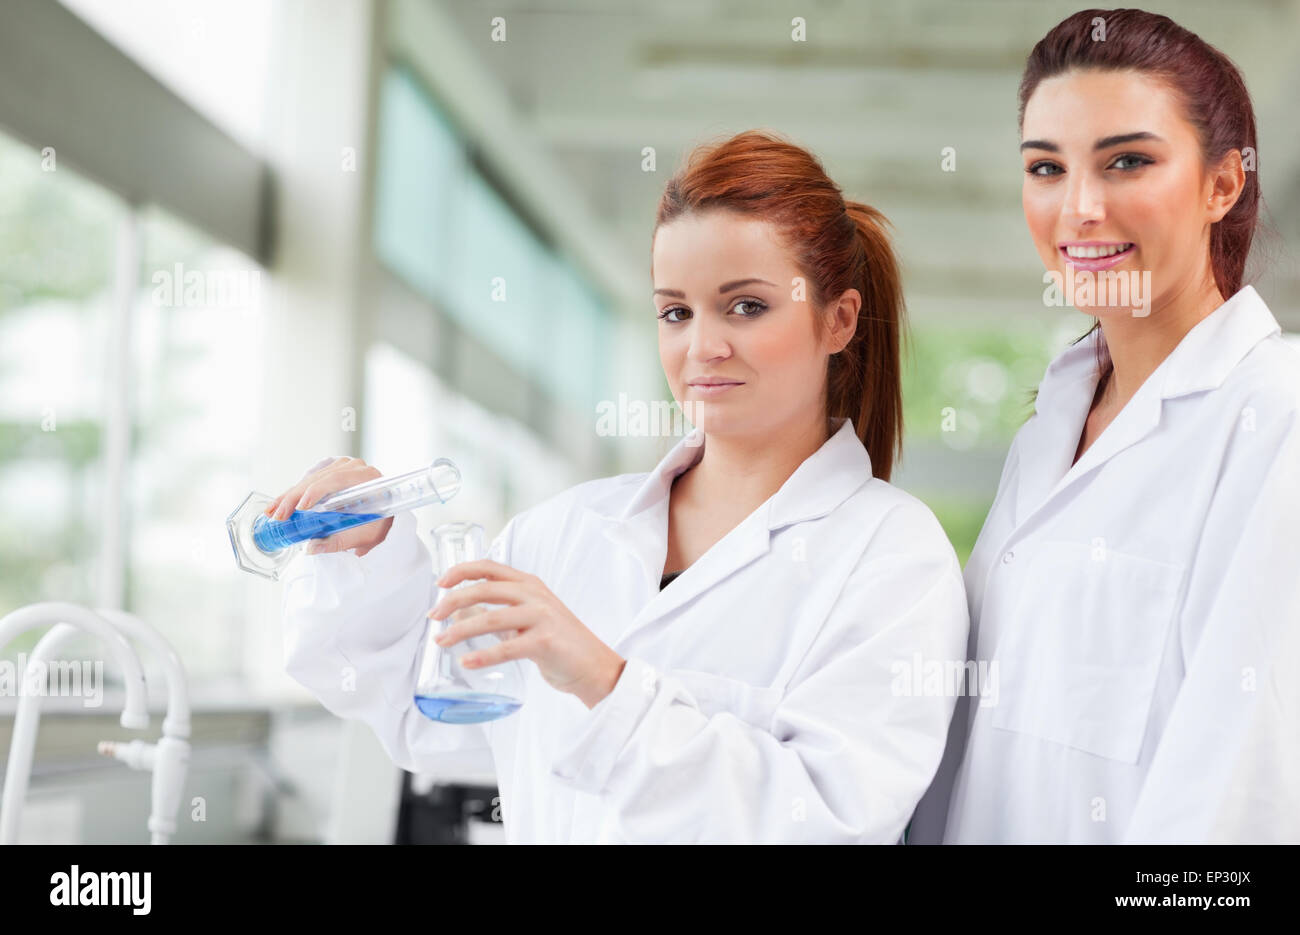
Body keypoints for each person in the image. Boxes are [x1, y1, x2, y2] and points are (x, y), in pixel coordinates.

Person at [275, 130, 969, 843]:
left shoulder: (893, 558)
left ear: (839, 319)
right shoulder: (562, 532)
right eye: (676, 311)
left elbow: (826, 819)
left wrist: (605, 683)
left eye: (747, 306)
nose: (703, 346)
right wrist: (366, 548)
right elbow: (418, 714)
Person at [909, 8, 1300, 844]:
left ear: (1222, 184)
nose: (1079, 208)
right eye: (1046, 168)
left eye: (1128, 160)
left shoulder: (1276, 416)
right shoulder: (1050, 428)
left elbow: (1241, 786)